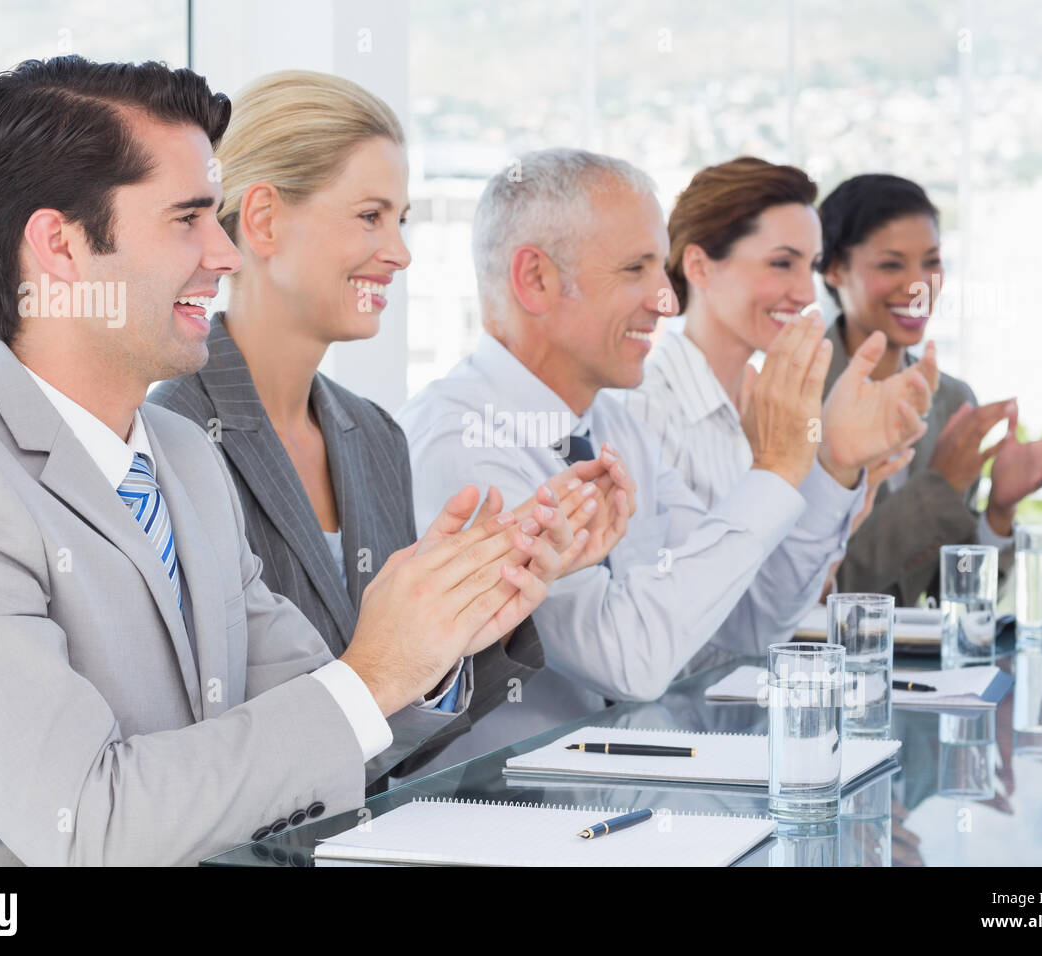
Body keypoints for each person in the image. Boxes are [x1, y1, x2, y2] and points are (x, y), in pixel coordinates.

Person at [0, 56, 563, 866]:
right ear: (58, 246)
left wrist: (436, 630)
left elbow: (319, 724)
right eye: (187, 219)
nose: (224, 254)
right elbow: (91, 824)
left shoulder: (185, 457)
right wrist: (370, 677)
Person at [149, 71, 622, 789]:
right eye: (371, 217)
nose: (400, 252)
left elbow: (389, 735)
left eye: (400, 220)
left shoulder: (373, 436)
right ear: (266, 220)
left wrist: (487, 594)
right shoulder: (171, 436)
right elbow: (218, 735)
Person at [397, 148, 930, 773]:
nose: (665, 301)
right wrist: (776, 470)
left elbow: (745, 622)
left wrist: (829, 467)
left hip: (612, 799)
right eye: (635, 269)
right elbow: (628, 661)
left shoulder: (615, 424)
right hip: (500, 820)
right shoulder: (464, 444)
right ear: (535, 279)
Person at [620, 156, 937, 547]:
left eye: (812, 265)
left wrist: (838, 485)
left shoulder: (770, 410)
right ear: (700, 267)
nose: (806, 293)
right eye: (782, 263)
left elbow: (776, 601)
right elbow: (674, 600)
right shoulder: (643, 415)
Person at [817, 173, 1042, 604]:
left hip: (915, 670)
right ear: (832, 268)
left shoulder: (953, 402)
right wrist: (939, 486)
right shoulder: (798, 398)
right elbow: (821, 590)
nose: (919, 284)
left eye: (932, 261)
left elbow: (949, 597)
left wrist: (999, 512)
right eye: (891, 264)